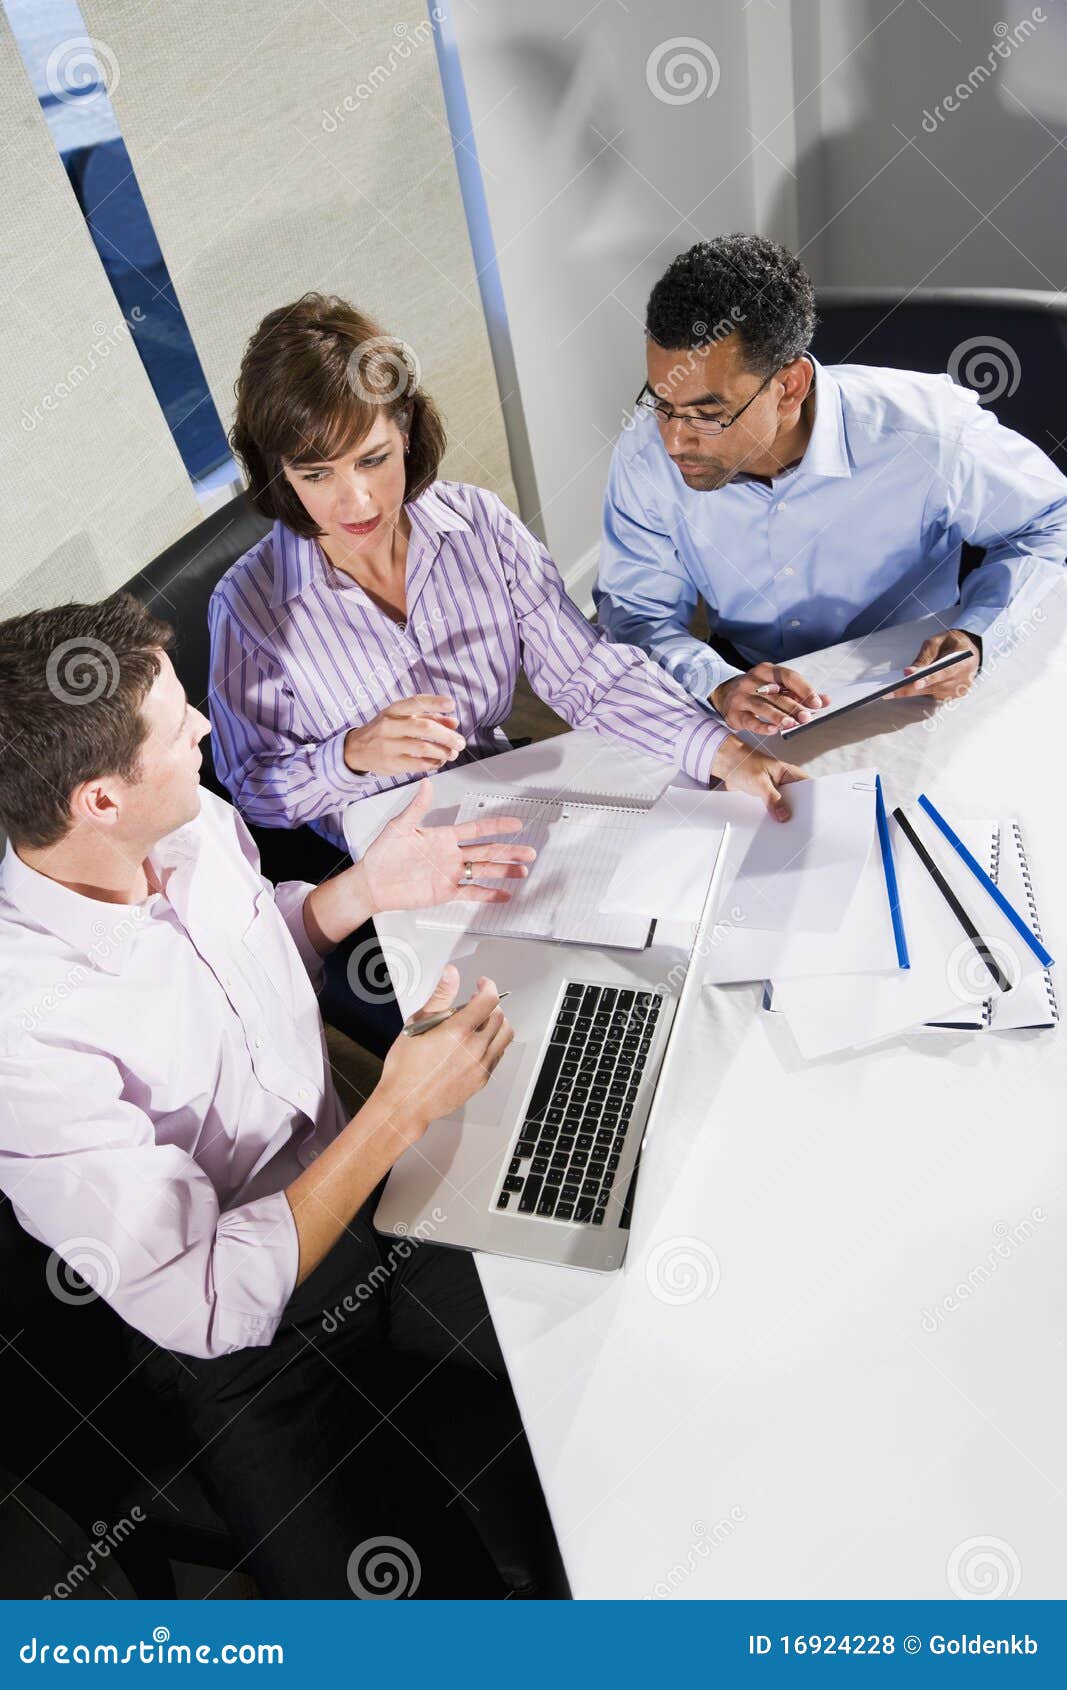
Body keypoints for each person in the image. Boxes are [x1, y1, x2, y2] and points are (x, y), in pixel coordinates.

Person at [0, 593, 567, 1599]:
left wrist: (362, 892)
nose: (206, 733)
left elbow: (254, 949)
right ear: (98, 799)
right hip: (245, 1341)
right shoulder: (26, 1033)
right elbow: (201, 1296)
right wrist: (398, 1106)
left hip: (377, 1202)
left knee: (601, 1370)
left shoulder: (190, 827)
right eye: (180, 731)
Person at [207, 294, 804, 838]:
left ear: (407, 428)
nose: (357, 501)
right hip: (390, 859)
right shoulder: (248, 607)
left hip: (511, 803)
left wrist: (727, 754)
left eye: (373, 459)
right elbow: (253, 789)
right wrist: (350, 755)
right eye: (317, 475)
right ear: (278, 470)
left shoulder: (478, 525)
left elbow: (589, 676)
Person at [595, 233, 1067, 736]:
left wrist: (979, 633)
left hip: (910, 688)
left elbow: (1051, 520)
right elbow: (636, 612)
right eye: (661, 402)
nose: (672, 441)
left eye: (706, 414)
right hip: (745, 691)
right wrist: (716, 682)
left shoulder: (929, 436)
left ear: (789, 387)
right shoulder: (643, 454)